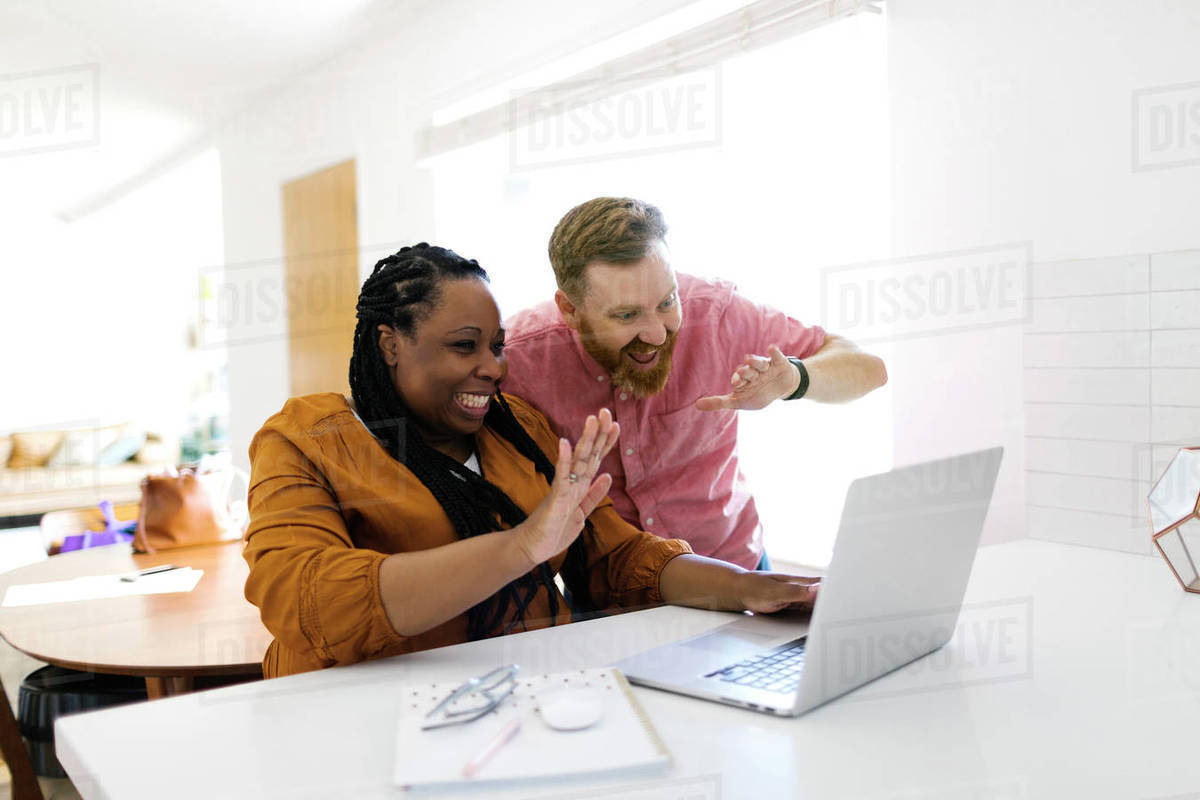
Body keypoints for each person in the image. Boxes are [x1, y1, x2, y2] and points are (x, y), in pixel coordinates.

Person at [243, 243, 820, 678]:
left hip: (529, 697)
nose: (494, 367)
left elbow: (616, 558)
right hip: (361, 719)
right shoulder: (306, 440)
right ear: (391, 343)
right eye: (464, 345)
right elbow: (308, 600)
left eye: (496, 346)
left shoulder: (515, 427)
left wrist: (747, 587)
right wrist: (521, 546)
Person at [502, 198, 888, 571]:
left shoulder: (716, 314)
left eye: (667, 302)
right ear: (570, 309)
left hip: (739, 568)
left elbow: (868, 368)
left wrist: (795, 379)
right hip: (609, 595)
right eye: (627, 315)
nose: (657, 334)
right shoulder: (517, 359)